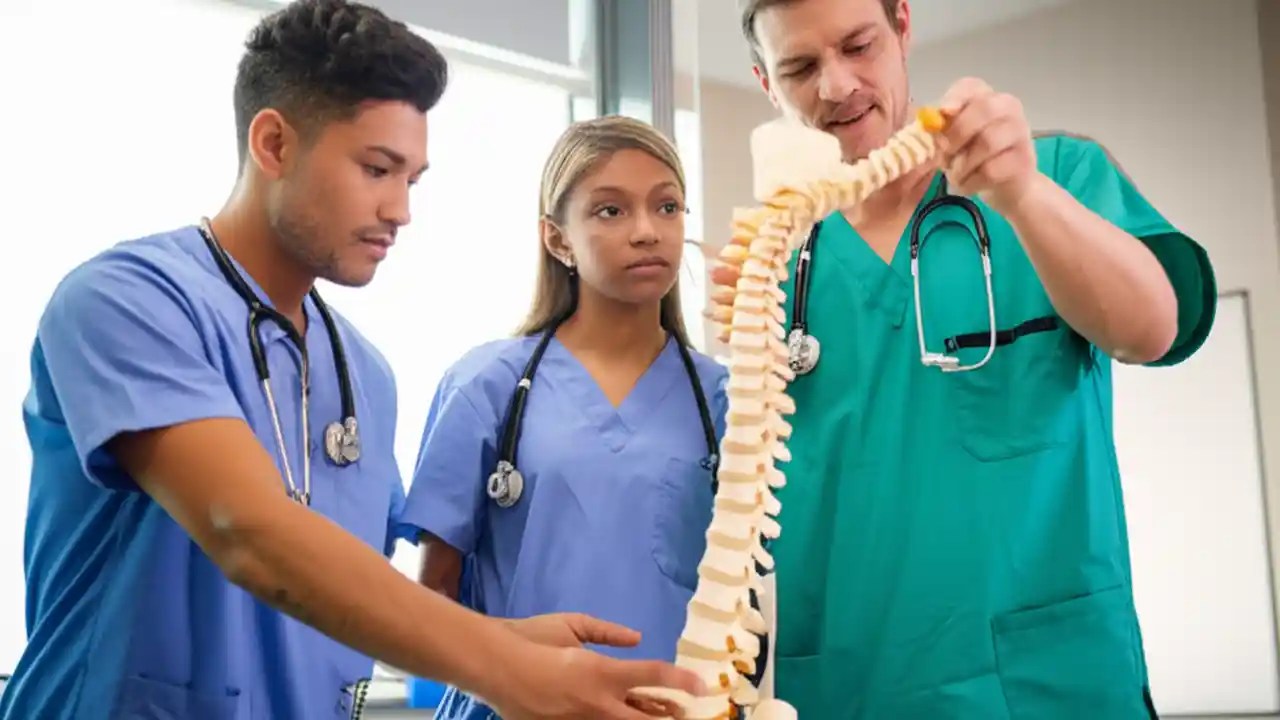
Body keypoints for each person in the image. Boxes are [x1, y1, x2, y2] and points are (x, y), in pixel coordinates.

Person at [0, 3, 704, 719]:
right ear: (274, 144)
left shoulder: (362, 376)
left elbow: (357, 596)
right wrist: (506, 668)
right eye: (376, 169)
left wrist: (509, 642)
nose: (400, 210)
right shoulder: (128, 302)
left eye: (412, 180)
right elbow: (248, 530)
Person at [706, 0, 1218, 718]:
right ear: (766, 82)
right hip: (847, 685)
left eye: (858, 46)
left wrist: (1023, 194)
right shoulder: (779, 268)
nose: (836, 86)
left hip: (1042, 682)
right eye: (799, 67)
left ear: (904, 27)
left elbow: (1155, 329)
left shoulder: (1052, 177)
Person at [398, 115, 729, 719]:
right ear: (557, 239)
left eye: (668, 207)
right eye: (610, 211)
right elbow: (429, 602)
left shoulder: (726, 399)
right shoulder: (486, 387)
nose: (646, 232)